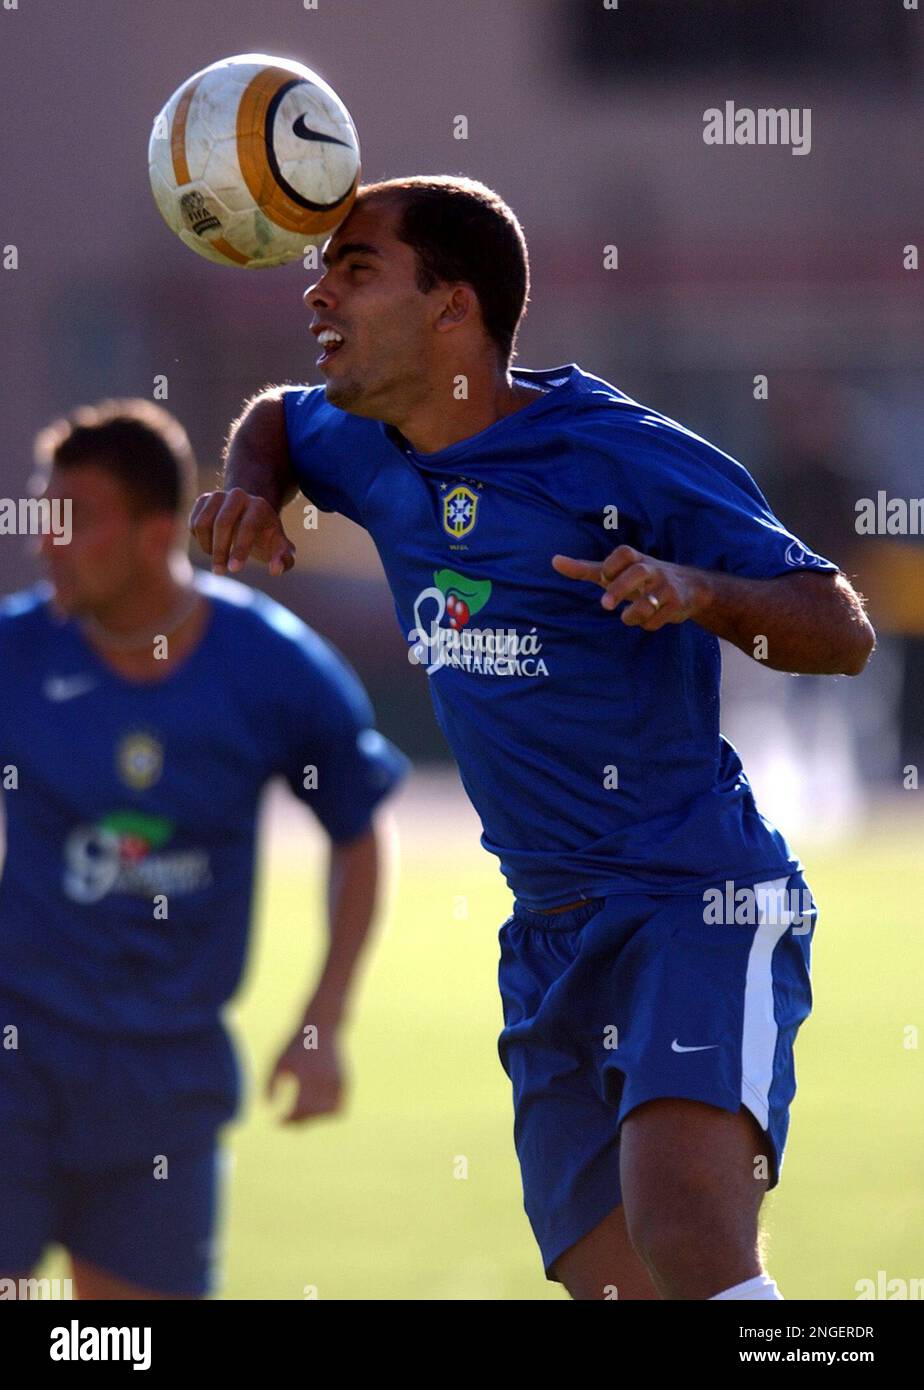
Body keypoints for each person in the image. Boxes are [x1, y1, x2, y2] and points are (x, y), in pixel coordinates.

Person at [190, 176, 875, 1301]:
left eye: (355, 269)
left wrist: (697, 587)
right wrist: (250, 484)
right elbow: (273, 415)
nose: (317, 291)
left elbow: (840, 629)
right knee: (616, 1285)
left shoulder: (620, 455)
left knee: (688, 1234)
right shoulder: (364, 440)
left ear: (452, 309)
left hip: (690, 898)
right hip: (548, 935)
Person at [0, 398, 407, 1300]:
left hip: (166, 1086)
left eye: (75, 521)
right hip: (15, 1064)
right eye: (42, 516)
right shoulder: (14, 654)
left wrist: (323, 1018)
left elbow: (356, 831)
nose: (47, 543)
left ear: (155, 535)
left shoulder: (271, 668)